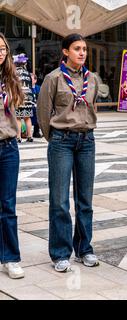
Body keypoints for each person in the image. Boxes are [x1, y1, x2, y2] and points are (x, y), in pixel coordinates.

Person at [37, 33, 100, 272]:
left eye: (84, 48)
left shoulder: (91, 78)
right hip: (62, 141)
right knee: (60, 200)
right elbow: (43, 112)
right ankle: (61, 253)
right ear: (65, 52)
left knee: (85, 200)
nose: (82, 52)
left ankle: (85, 249)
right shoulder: (53, 79)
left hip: (87, 141)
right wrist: (53, 137)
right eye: (77, 48)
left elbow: (92, 107)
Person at [0, 32, 25, 279]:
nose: (0, 53)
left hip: (7, 147)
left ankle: (10, 258)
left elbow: (18, 106)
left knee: (8, 204)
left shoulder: (10, 79)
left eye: (3, 49)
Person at [13, 54, 34, 143]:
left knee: (18, 117)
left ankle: (18, 137)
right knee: (27, 117)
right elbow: (31, 84)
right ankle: (30, 136)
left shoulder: (14, 72)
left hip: (19, 97)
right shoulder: (28, 73)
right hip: (29, 97)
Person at [30, 73, 42, 138]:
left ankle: (36, 132)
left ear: (35, 80)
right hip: (28, 105)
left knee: (38, 112)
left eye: (31, 79)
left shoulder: (39, 88)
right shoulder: (26, 88)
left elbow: (41, 98)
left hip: (37, 105)